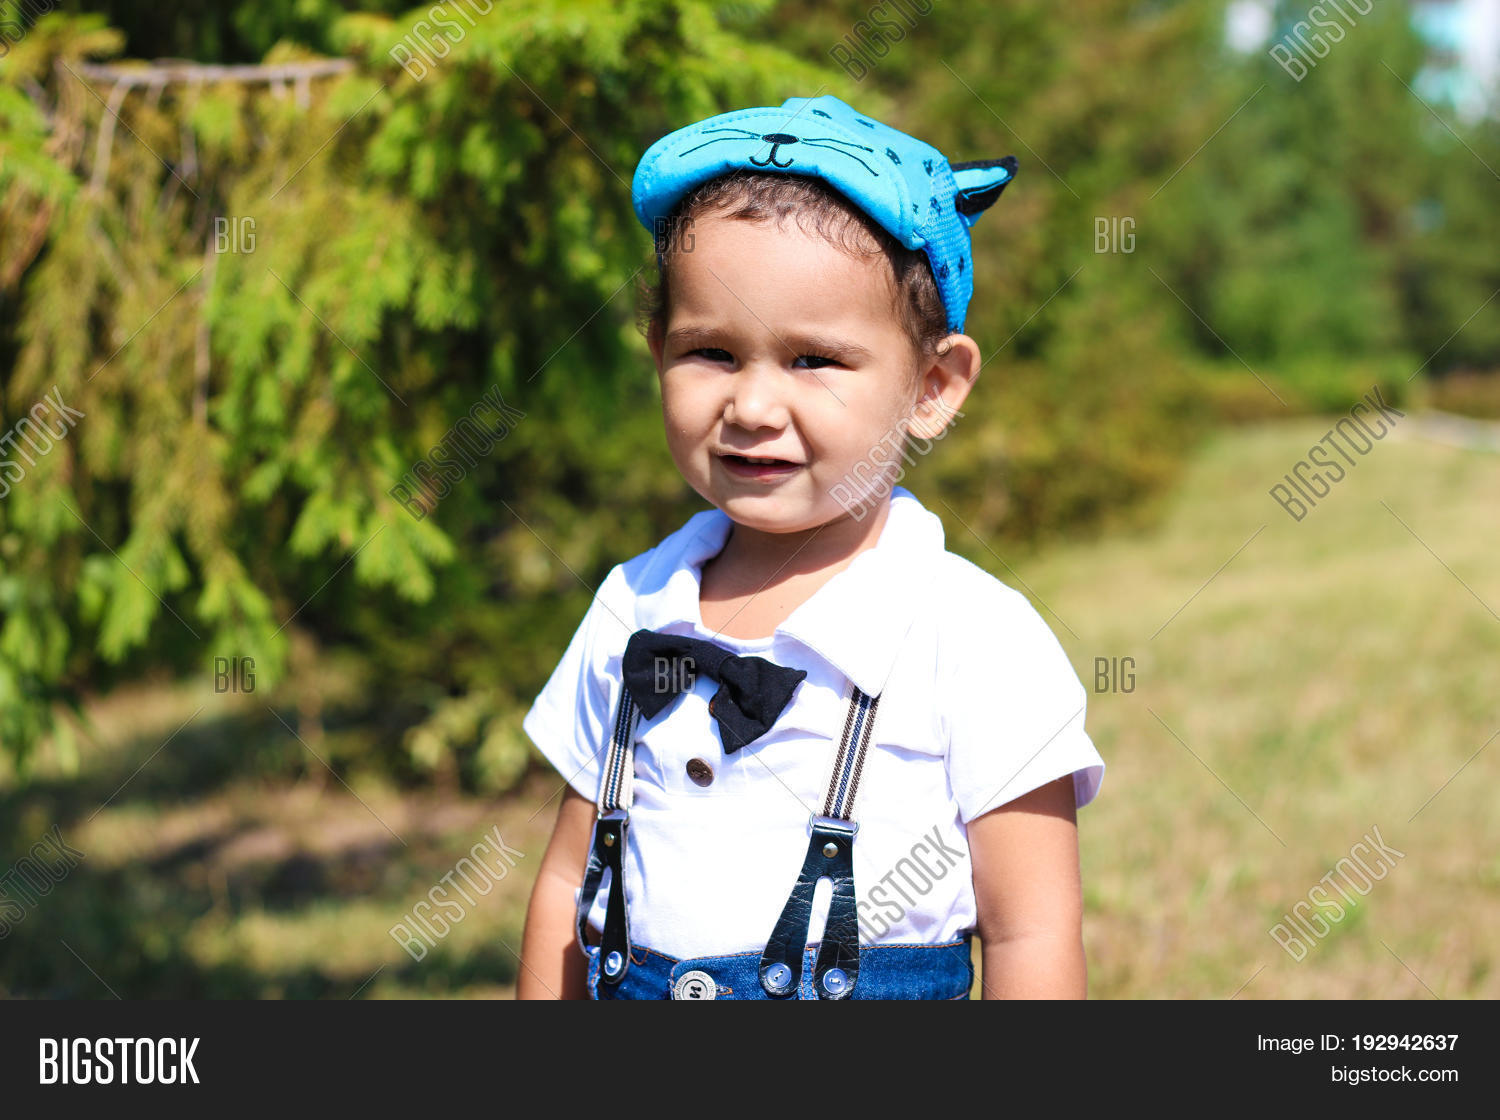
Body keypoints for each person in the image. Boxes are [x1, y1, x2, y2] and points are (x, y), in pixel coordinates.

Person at [516, 93, 1104, 999]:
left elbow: (1031, 935)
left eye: (812, 361)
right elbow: (567, 884)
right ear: (656, 349)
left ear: (934, 387)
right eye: (710, 352)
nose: (751, 408)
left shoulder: (974, 639)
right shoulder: (633, 605)